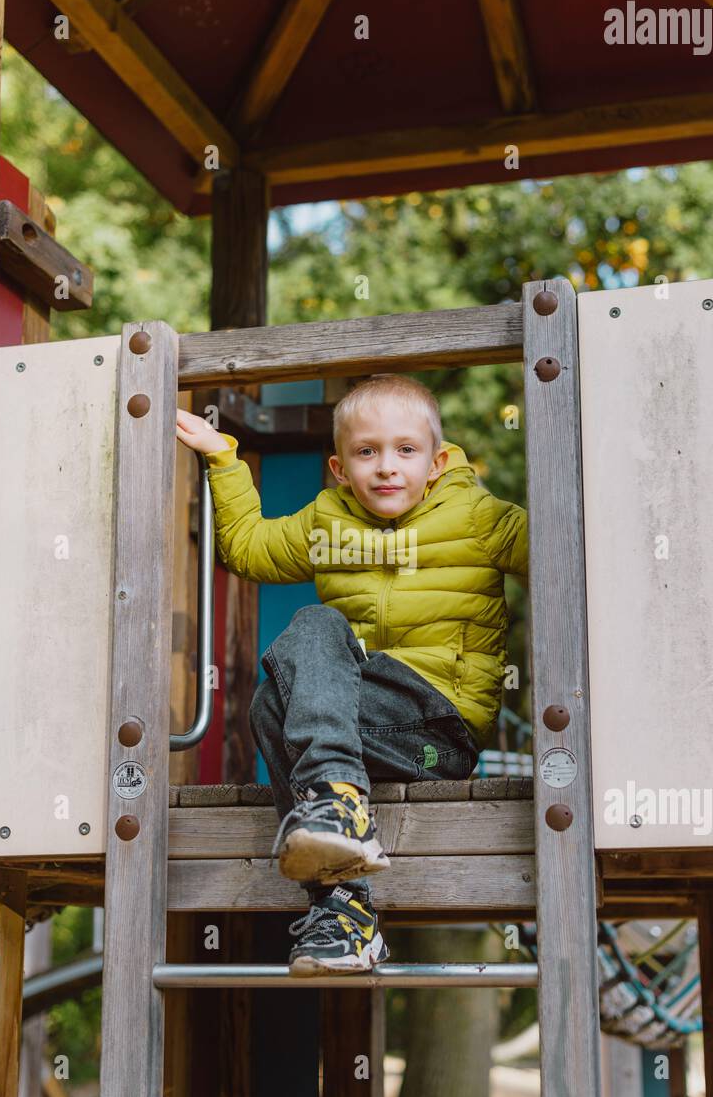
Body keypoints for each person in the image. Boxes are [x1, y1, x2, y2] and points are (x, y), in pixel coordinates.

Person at [176, 374, 528, 975]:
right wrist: (222, 458)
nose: (387, 467)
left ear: (437, 462)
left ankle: (337, 806)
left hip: (437, 737)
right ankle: (345, 909)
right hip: (363, 733)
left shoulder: (480, 518)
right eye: (367, 452)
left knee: (300, 655)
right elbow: (249, 548)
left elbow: (571, 551)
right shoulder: (326, 521)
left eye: (405, 451)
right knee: (275, 695)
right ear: (340, 469)